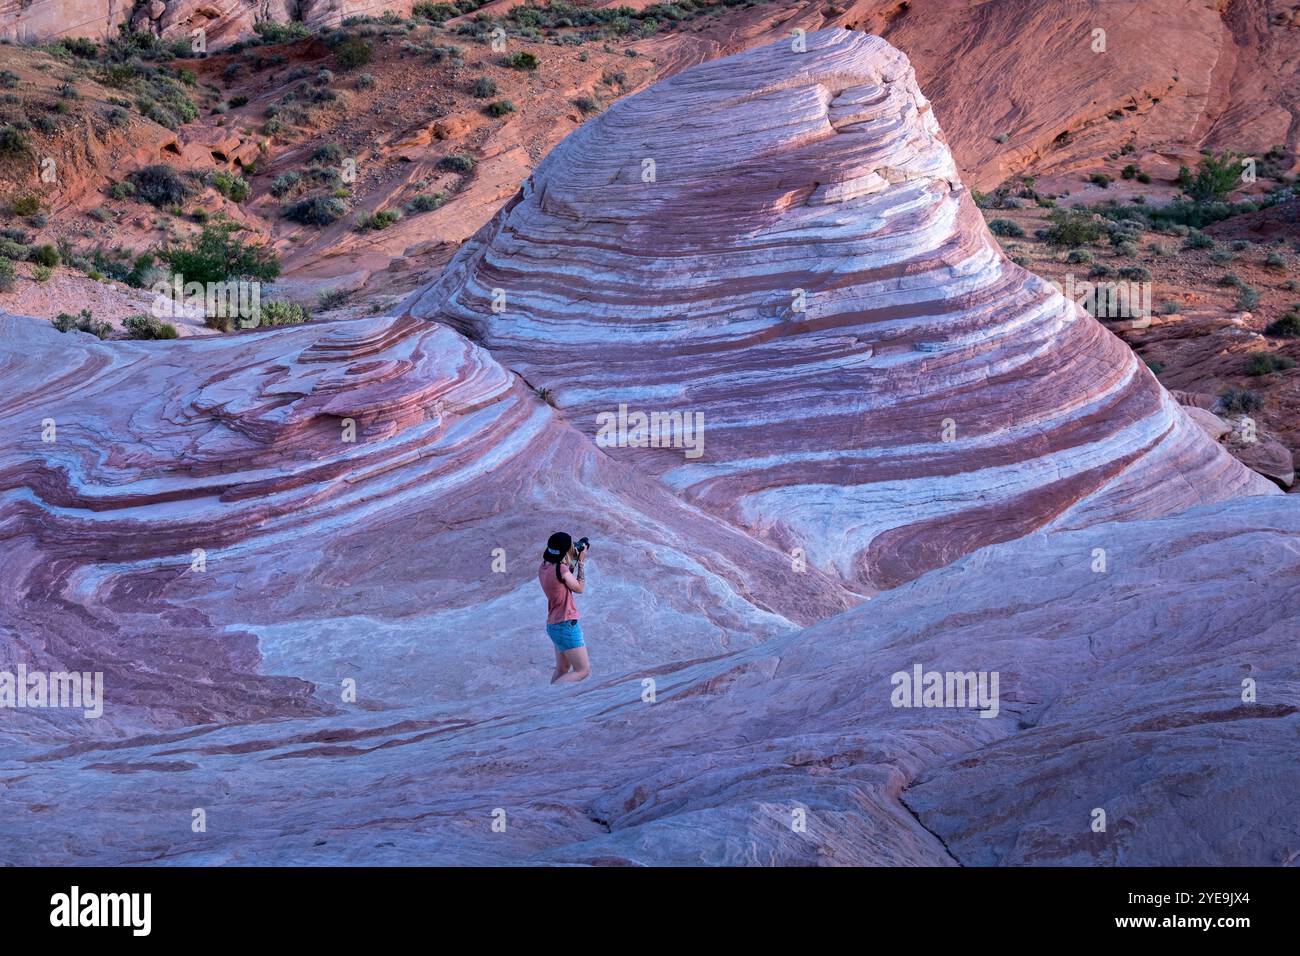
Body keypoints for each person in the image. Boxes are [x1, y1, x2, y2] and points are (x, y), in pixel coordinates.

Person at [539, 531, 590, 684]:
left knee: (562, 668)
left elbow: (563, 575)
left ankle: (548, 698)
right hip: (566, 624)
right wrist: (580, 562)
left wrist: (570, 558)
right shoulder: (561, 570)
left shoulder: (543, 567)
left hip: (554, 625)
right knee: (583, 670)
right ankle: (552, 697)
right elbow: (579, 588)